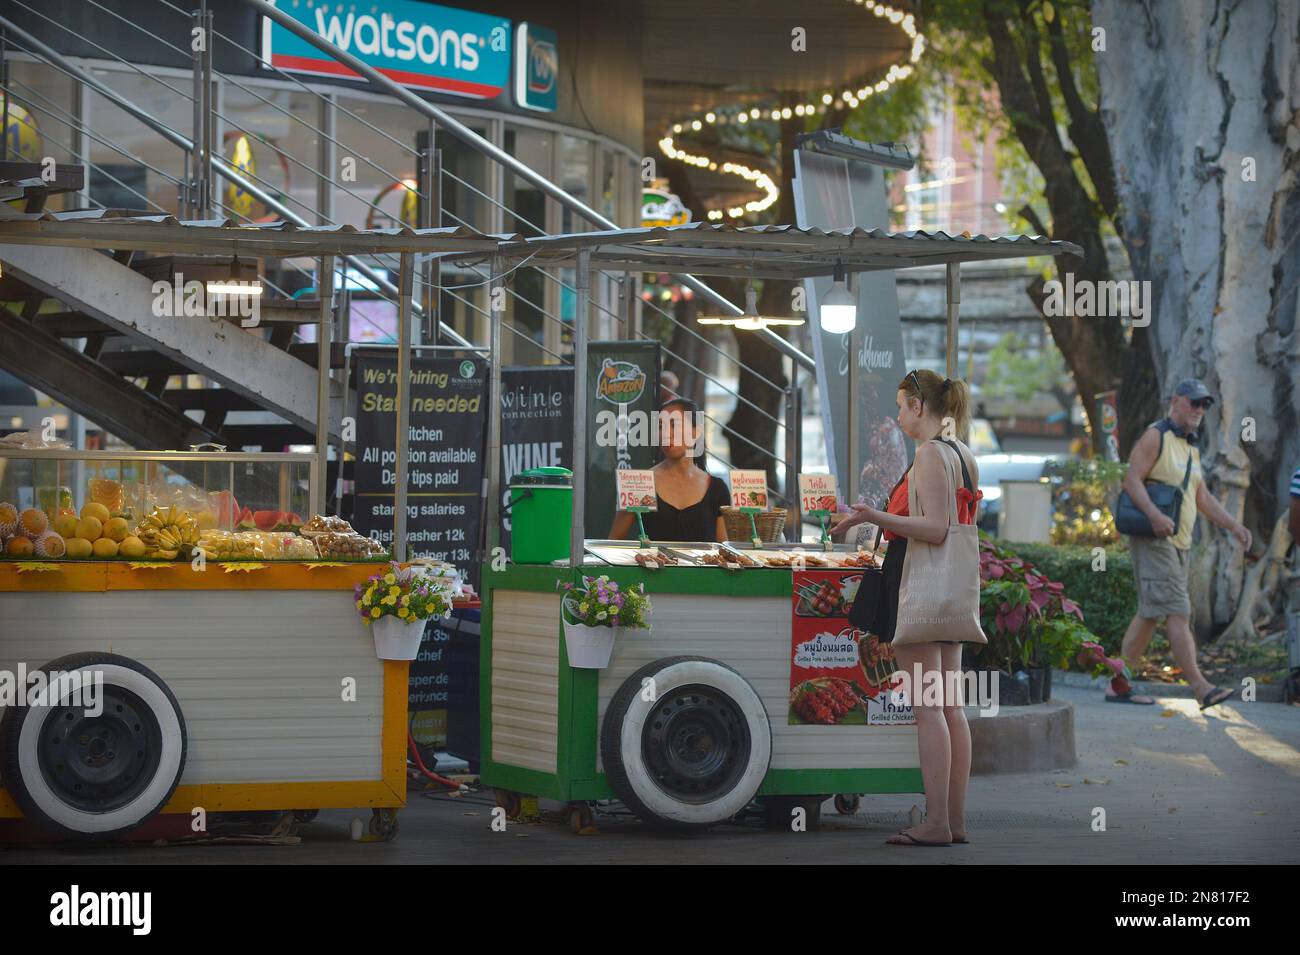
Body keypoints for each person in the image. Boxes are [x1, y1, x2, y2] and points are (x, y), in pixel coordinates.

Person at [836, 369, 982, 848]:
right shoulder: (960, 450)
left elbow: (935, 527)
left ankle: (936, 823)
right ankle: (954, 821)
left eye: (902, 406)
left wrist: (872, 515)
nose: (898, 416)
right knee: (949, 708)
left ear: (919, 406)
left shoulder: (930, 454)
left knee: (929, 711)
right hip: (950, 590)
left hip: (919, 586)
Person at [1110, 378, 1252, 709]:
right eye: (1194, 402)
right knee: (1178, 610)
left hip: (1180, 542)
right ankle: (1202, 688)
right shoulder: (1155, 435)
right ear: (1175, 400)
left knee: (1149, 613)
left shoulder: (1189, 445)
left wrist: (1233, 525)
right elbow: (1131, 480)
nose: (1200, 410)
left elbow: (1200, 496)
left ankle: (1118, 684)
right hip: (1154, 538)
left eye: (1205, 404)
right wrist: (1155, 516)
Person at [608, 397, 728, 543]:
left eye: (674, 425)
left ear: (696, 432)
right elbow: (614, 542)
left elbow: (724, 550)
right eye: (660, 426)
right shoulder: (639, 483)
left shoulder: (717, 488)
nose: (666, 433)